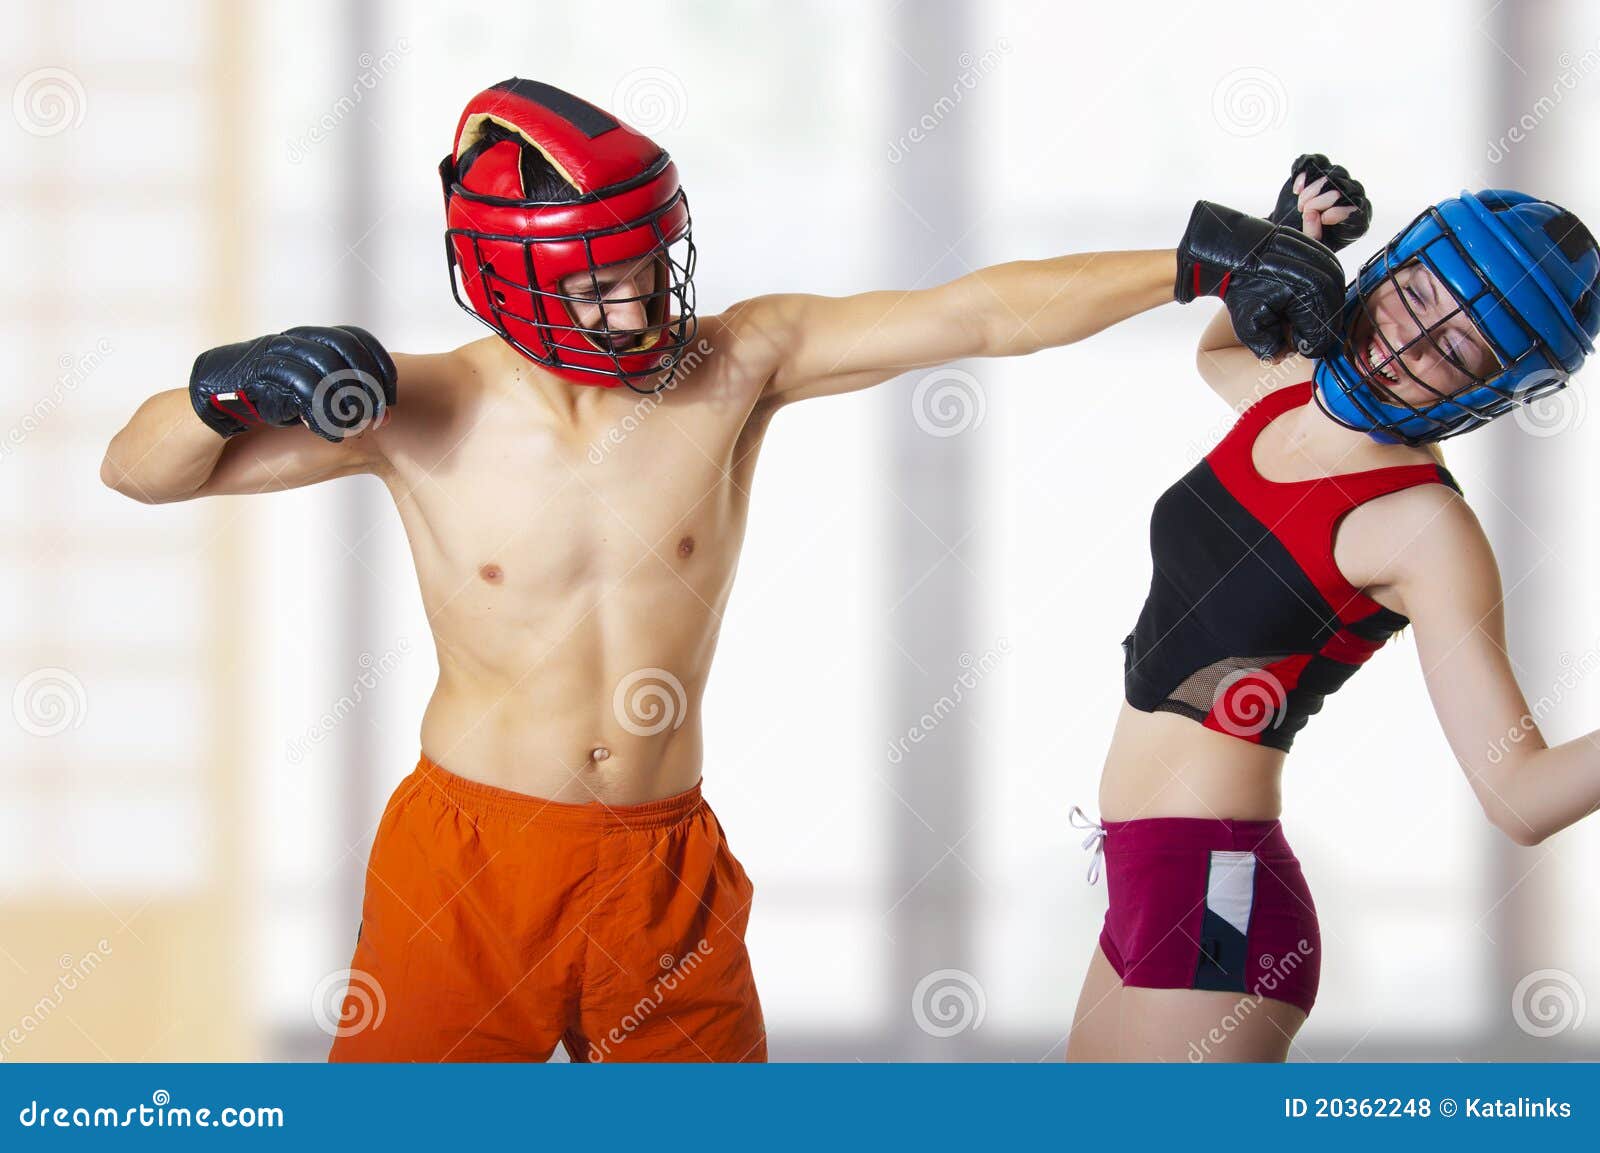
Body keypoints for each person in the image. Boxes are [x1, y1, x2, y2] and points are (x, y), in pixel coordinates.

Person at [100, 78, 1343, 1062]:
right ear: (503, 274)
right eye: (599, 284)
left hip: (662, 863)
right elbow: (141, 471)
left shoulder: (738, 361)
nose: (639, 304)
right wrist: (228, 386)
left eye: (648, 261)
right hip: (468, 866)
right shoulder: (419, 407)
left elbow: (975, 313)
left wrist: (1200, 263)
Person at [1064, 155, 1600, 1062]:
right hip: (1142, 873)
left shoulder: (1423, 525)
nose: (1414, 342)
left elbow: (1520, 795)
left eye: (1462, 347)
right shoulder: (1292, 393)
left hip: (1216, 896)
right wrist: (1282, 255)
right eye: (1421, 295)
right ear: (1393, 264)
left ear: (1496, 389)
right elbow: (1224, 352)